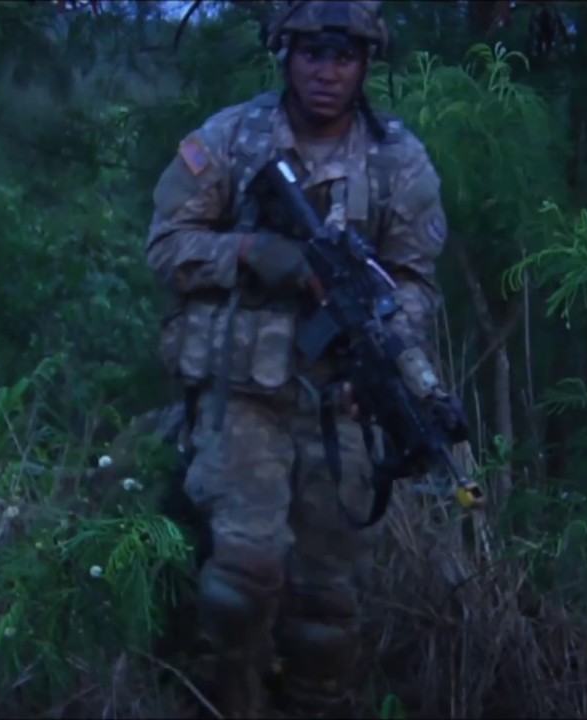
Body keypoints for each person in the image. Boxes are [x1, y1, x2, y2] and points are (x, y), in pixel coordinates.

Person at [145, 1, 458, 716]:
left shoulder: (396, 160)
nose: (328, 72)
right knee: (243, 577)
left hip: (338, 401)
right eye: (313, 54)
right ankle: (226, 702)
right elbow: (167, 246)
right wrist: (255, 252)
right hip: (243, 393)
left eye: (343, 57)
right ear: (285, 55)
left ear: (366, 64)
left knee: (326, 607)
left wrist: (389, 362)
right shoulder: (232, 139)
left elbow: (413, 280)